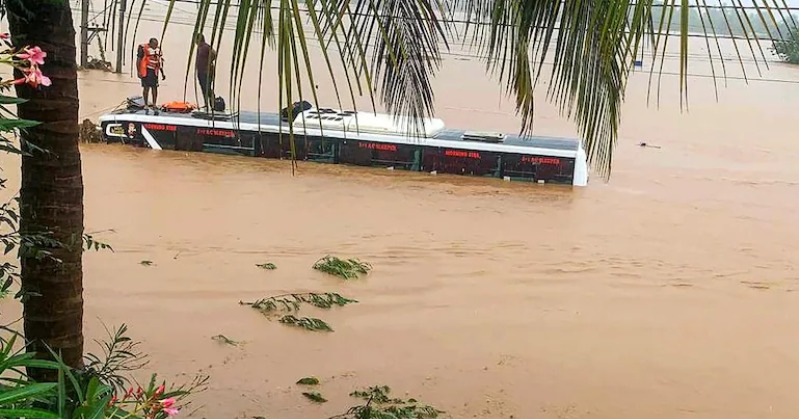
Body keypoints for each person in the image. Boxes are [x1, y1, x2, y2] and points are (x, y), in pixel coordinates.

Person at [136, 38, 165, 113]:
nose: (156, 46)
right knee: (146, 88)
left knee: (154, 88)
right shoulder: (143, 49)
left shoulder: (157, 51)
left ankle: (154, 104)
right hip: (146, 70)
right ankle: (146, 104)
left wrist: (162, 73)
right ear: (150, 44)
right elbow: (138, 60)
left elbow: (160, 62)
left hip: (154, 71)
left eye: (157, 45)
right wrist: (138, 71)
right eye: (154, 45)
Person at [194, 34, 216, 110]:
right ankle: (206, 104)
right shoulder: (199, 47)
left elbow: (214, 54)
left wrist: (208, 63)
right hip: (200, 71)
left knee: (207, 88)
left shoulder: (206, 47)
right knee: (203, 88)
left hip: (206, 71)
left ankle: (212, 103)